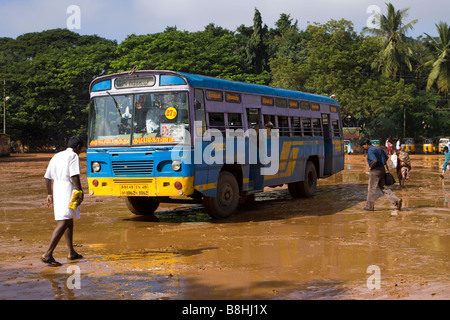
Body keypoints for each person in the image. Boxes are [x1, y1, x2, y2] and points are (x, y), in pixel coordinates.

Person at [41, 136, 85, 266]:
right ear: (77, 147)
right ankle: (48, 253)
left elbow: (47, 177)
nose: (80, 152)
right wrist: (80, 191)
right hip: (67, 188)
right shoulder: (73, 156)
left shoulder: (57, 156)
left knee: (68, 220)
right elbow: (74, 176)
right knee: (64, 221)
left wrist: (49, 193)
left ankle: (71, 252)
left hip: (57, 188)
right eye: (81, 149)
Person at [360, 139, 402, 211]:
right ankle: (396, 201)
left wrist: (370, 167)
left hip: (375, 171)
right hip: (382, 169)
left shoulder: (370, 151)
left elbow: (374, 160)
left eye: (363, 146)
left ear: (366, 144)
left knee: (371, 189)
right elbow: (386, 157)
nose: (362, 148)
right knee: (384, 188)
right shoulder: (379, 148)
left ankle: (369, 207)